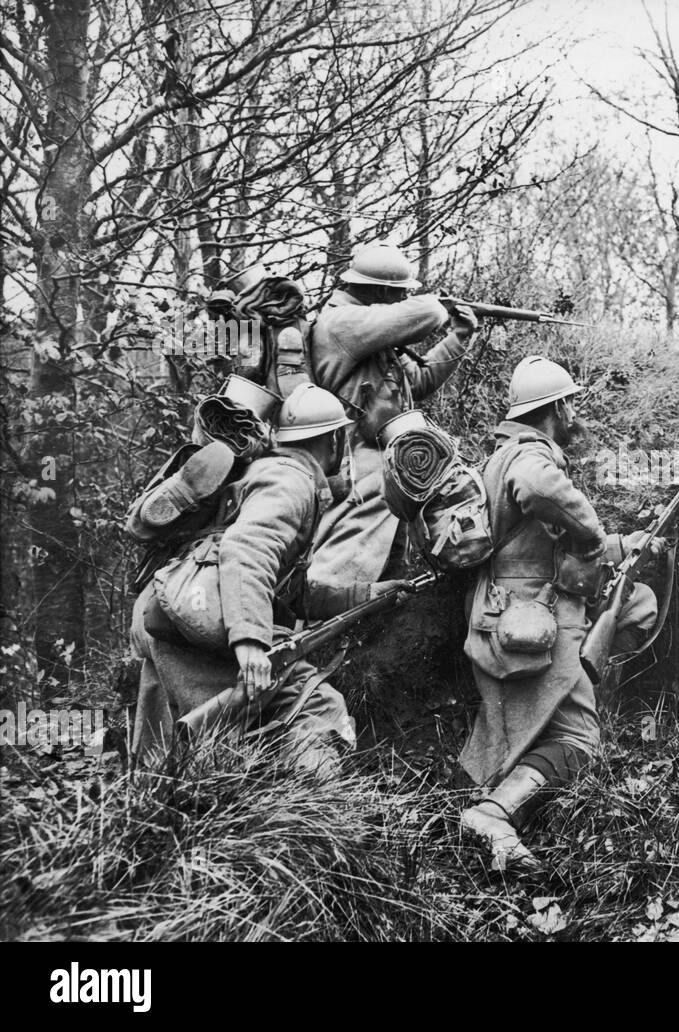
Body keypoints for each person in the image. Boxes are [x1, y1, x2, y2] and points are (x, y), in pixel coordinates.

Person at [458, 356, 659, 870]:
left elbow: (538, 547)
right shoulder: (528, 454)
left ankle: (493, 804)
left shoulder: (503, 454)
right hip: (530, 619)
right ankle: (494, 815)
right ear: (557, 407)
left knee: (637, 608)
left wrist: (618, 546)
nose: (576, 414)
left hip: (517, 611)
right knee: (577, 740)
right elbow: (537, 489)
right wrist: (592, 532)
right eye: (571, 403)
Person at [130, 385, 360, 777]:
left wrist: (365, 594)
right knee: (316, 707)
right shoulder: (292, 481)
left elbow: (285, 589)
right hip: (202, 617)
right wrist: (252, 643)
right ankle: (313, 818)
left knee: (163, 749)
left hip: (171, 607)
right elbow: (246, 549)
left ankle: (152, 826)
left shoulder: (266, 470)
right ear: (336, 438)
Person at [305, 242, 479, 613]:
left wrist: (459, 335)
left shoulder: (370, 330)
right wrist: (439, 306)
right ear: (383, 292)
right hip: (351, 465)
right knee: (342, 566)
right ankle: (322, 622)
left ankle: (365, 627)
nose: (402, 300)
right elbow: (429, 311)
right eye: (398, 294)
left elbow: (417, 382)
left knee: (387, 560)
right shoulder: (342, 322)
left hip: (385, 462)